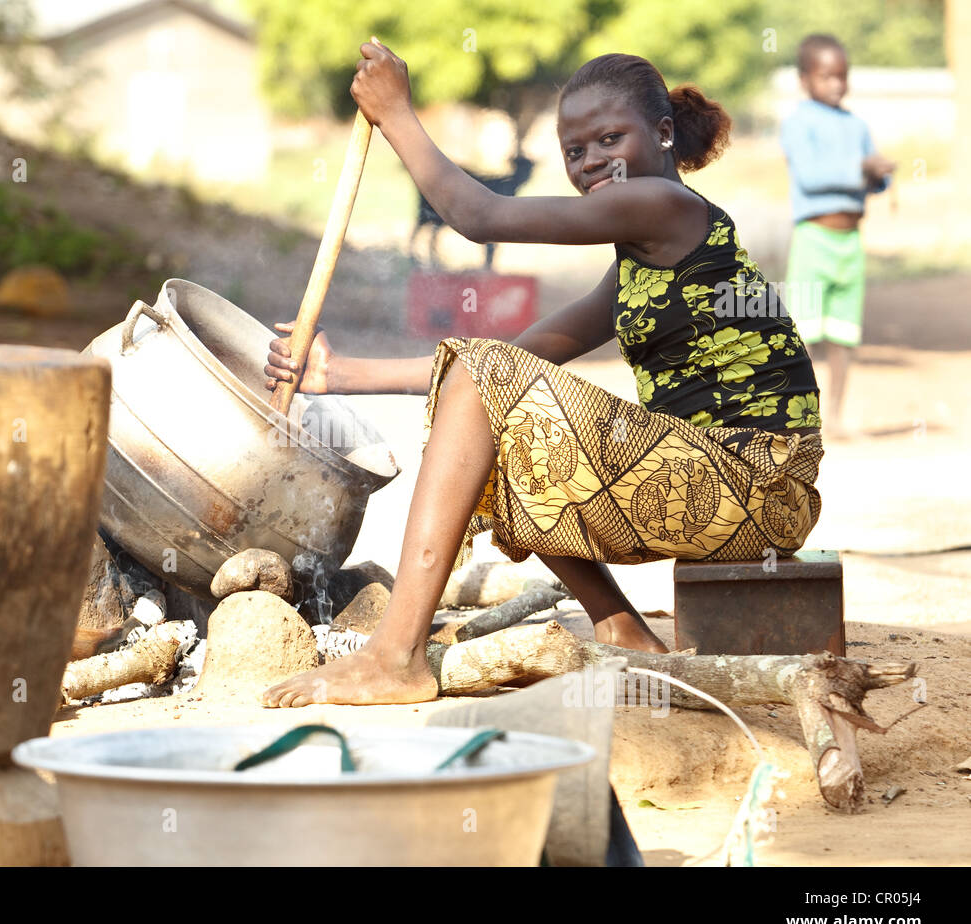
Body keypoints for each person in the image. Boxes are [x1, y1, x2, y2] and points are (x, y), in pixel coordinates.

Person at [261, 43, 825, 707]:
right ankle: (624, 632)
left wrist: (397, 116)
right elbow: (503, 366)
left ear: (663, 133)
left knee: (492, 388)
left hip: (762, 483)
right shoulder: (641, 265)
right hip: (726, 483)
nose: (591, 162)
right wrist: (343, 372)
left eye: (609, 139)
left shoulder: (664, 207)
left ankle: (396, 654)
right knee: (496, 409)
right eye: (575, 150)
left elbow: (480, 217)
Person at [780, 34, 894, 439]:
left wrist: (881, 174)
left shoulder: (856, 124)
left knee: (845, 333)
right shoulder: (798, 122)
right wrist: (861, 167)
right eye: (826, 76)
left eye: (842, 76)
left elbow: (873, 183)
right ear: (804, 78)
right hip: (814, 239)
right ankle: (801, 422)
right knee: (804, 333)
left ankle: (838, 418)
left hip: (851, 243)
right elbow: (810, 179)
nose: (836, 84)